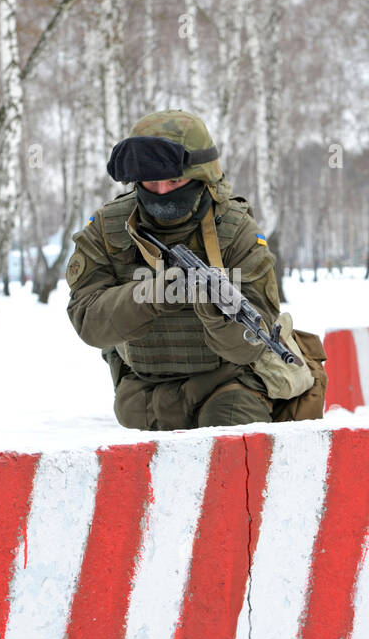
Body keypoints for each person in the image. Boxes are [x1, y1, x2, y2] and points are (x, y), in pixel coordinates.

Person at [66, 110, 290, 430]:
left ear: (202, 176)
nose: (161, 191)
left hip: (225, 385)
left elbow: (250, 345)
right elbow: (89, 322)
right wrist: (155, 293)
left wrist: (214, 311)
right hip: (141, 393)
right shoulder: (108, 228)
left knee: (232, 446)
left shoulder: (236, 228)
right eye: (151, 180)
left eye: (175, 180)